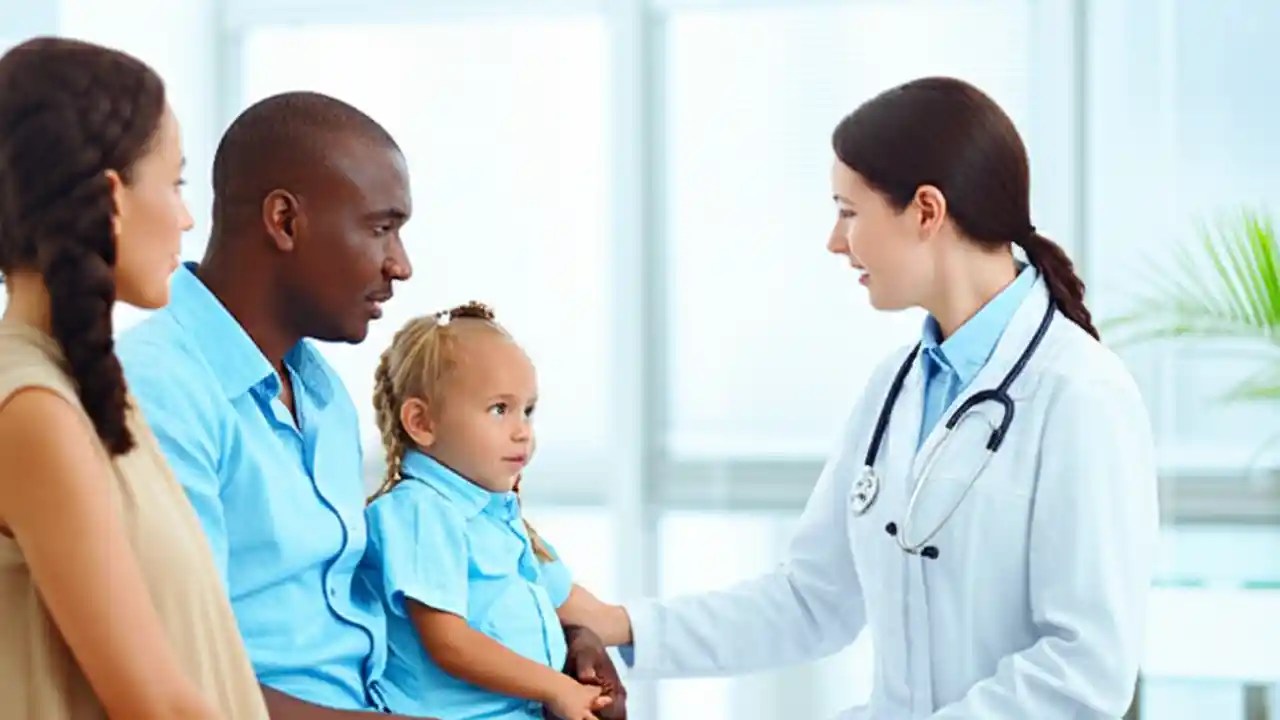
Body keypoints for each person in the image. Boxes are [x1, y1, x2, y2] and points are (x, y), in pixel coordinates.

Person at [585, 77, 1160, 718]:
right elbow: (812, 600)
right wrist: (619, 625)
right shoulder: (896, 385)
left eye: (849, 211)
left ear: (925, 211)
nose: (836, 240)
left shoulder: (1081, 394)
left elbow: (1085, 670)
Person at [117, 91, 626, 719]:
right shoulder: (157, 389)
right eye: (381, 228)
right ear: (284, 221)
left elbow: (383, 607)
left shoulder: (324, 396)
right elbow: (175, 678)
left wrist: (563, 643)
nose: (401, 265)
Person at [0, 37, 268, 719]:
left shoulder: (84, 389)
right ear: (112, 198)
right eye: (175, 182)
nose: (185, 216)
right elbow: (157, 704)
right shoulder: (32, 407)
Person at [358, 302, 621, 720]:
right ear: (422, 422)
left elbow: (569, 600)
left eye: (528, 411)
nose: (523, 431)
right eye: (500, 409)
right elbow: (449, 642)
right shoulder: (420, 510)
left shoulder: (498, 518)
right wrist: (557, 687)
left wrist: (620, 640)